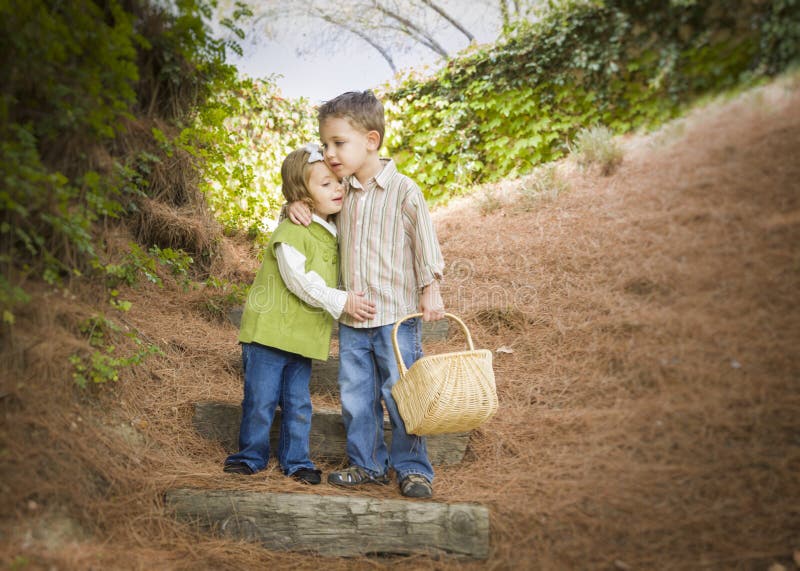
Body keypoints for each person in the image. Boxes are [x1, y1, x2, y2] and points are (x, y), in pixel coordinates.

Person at [287, 91, 445, 498]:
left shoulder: (404, 191)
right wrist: (292, 208)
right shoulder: (339, 193)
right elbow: (310, 199)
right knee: (356, 397)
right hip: (354, 318)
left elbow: (424, 241)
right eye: (325, 144)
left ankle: (413, 468)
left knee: (403, 395)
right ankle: (368, 463)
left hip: (396, 317)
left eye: (338, 143)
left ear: (371, 140)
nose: (330, 152)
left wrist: (431, 287)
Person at [223, 143, 376, 484]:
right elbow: (299, 281)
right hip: (268, 333)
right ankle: (250, 456)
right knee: (261, 400)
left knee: (298, 404)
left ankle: (296, 460)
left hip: (302, 337)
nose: (338, 188)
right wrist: (342, 301)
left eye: (339, 182)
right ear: (302, 197)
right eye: (326, 184)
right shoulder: (292, 229)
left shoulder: (336, 232)